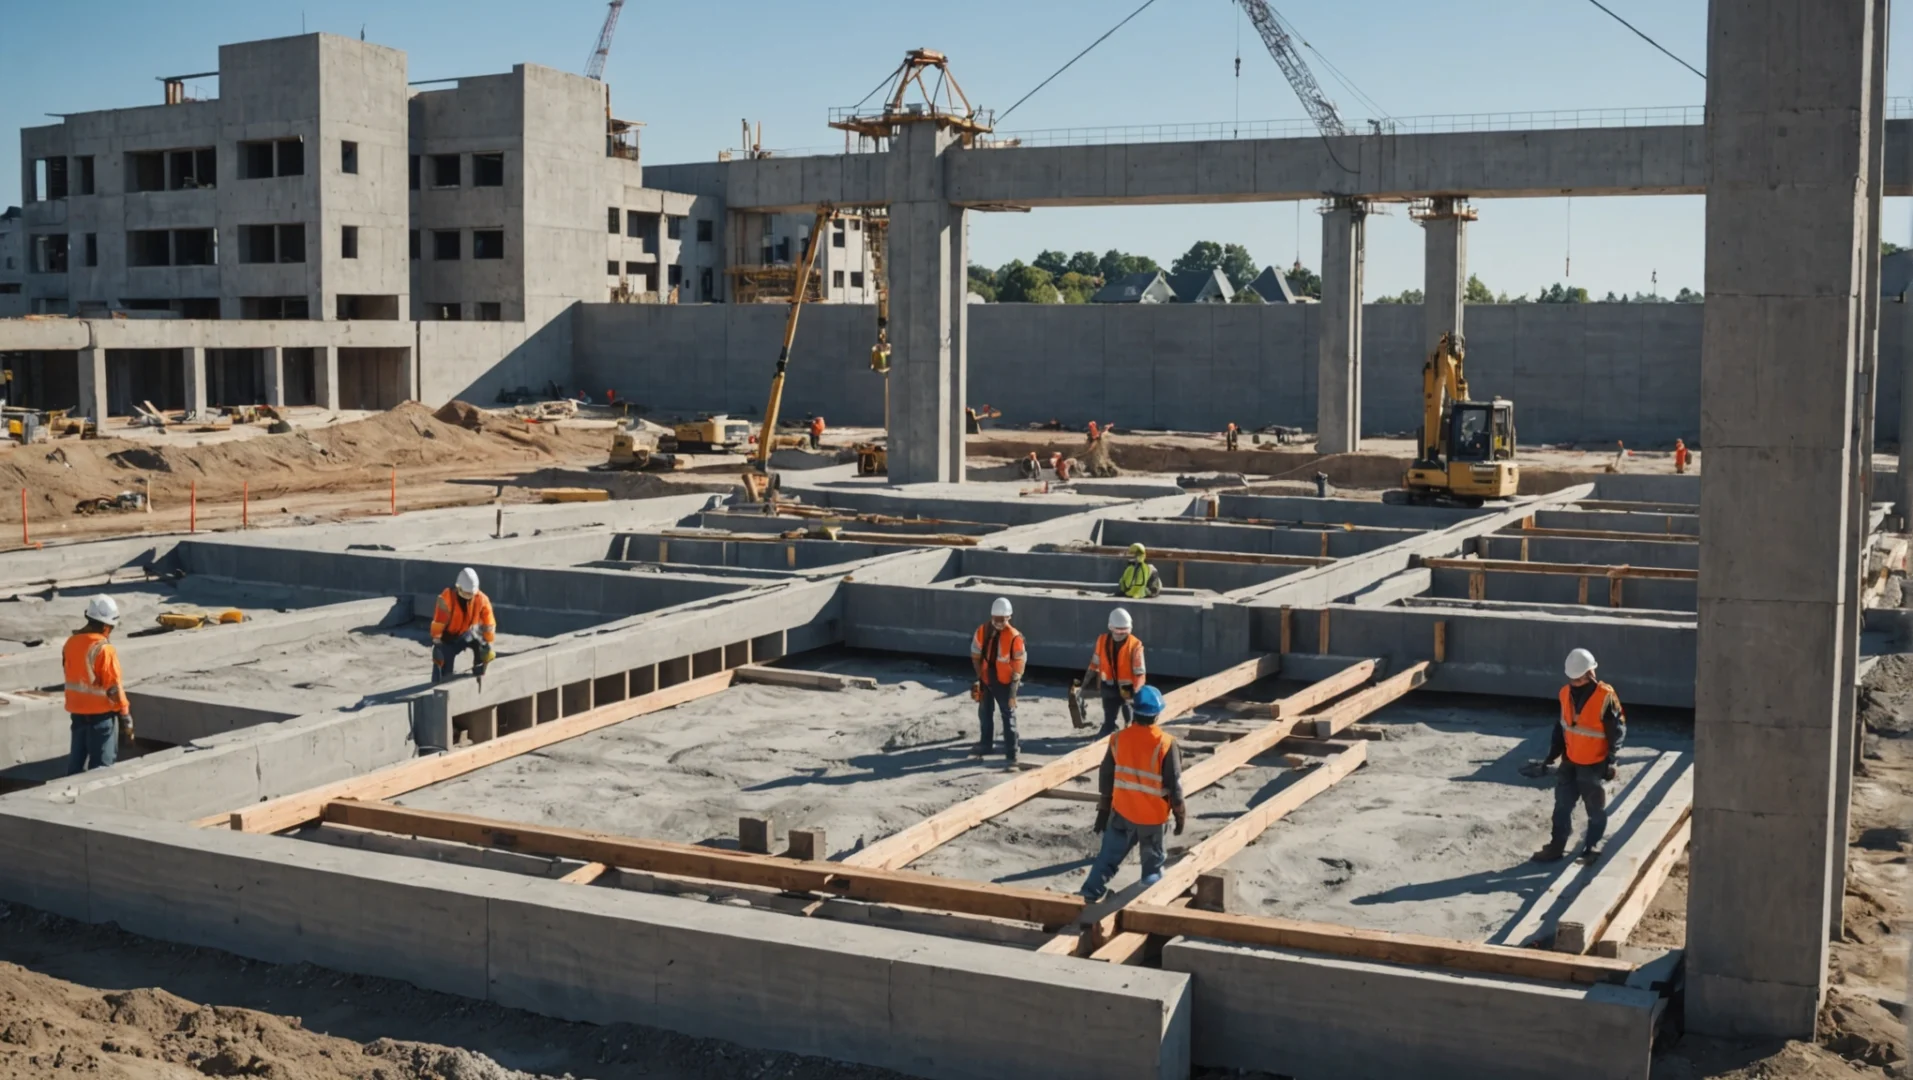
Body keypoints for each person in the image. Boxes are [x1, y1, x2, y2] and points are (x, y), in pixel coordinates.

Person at [1079, 685, 1185, 902]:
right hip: (1152, 819)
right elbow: (1174, 785)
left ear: (1134, 711)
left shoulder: (1118, 739)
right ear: (1156, 714)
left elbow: (1106, 775)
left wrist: (1103, 809)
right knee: (1152, 867)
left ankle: (1089, 894)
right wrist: (1180, 814)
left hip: (1123, 813)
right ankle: (1146, 901)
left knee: (1107, 858)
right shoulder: (1165, 743)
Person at [1534, 648, 1627, 864]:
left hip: (1594, 763)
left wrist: (1610, 760)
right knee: (1562, 807)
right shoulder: (1564, 694)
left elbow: (1617, 730)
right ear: (1591, 671)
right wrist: (1552, 756)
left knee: (1594, 810)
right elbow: (1562, 727)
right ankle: (1556, 847)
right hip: (1570, 760)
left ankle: (1592, 848)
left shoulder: (1605, 697)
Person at [64, 595, 130, 775]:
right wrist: (125, 716)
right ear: (105, 626)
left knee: (75, 767)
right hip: (101, 718)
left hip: (77, 714)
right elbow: (114, 687)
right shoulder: (104, 649)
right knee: (101, 771)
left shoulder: (70, 643)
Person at [970, 597, 1027, 765]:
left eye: (1002, 620)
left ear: (1009, 617)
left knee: (1008, 715)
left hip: (1005, 682)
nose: (998, 623)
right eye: (995, 619)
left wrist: (1012, 692)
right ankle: (986, 744)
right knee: (985, 713)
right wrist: (980, 679)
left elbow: (1019, 665)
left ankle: (1012, 752)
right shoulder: (983, 631)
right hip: (988, 679)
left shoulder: (1014, 637)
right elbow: (975, 654)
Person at [1084, 608, 1146, 736]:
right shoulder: (1102, 640)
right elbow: (1095, 662)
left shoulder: (1135, 645)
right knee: (1109, 713)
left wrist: (1136, 690)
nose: (1120, 633)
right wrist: (1088, 680)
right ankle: (1109, 728)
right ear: (1111, 627)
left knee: (1128, 712)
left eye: (1124, 630)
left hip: (1127, 687)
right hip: (1109, 684)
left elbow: (1140, 672)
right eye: (1118, 630)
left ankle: (1129, 729)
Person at [431, 567, 497, 684]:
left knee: (480, 644)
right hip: (448, 639)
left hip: (466, 633)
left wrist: (488, 643)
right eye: (466, 593)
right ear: (458, 588)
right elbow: (438, 623)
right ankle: (439, 683)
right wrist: (437, 643)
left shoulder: (481, 599)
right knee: (443, 661)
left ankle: (479, 672)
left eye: (471, 593)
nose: (469, 596)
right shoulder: (446, 598)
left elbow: (489, 623)